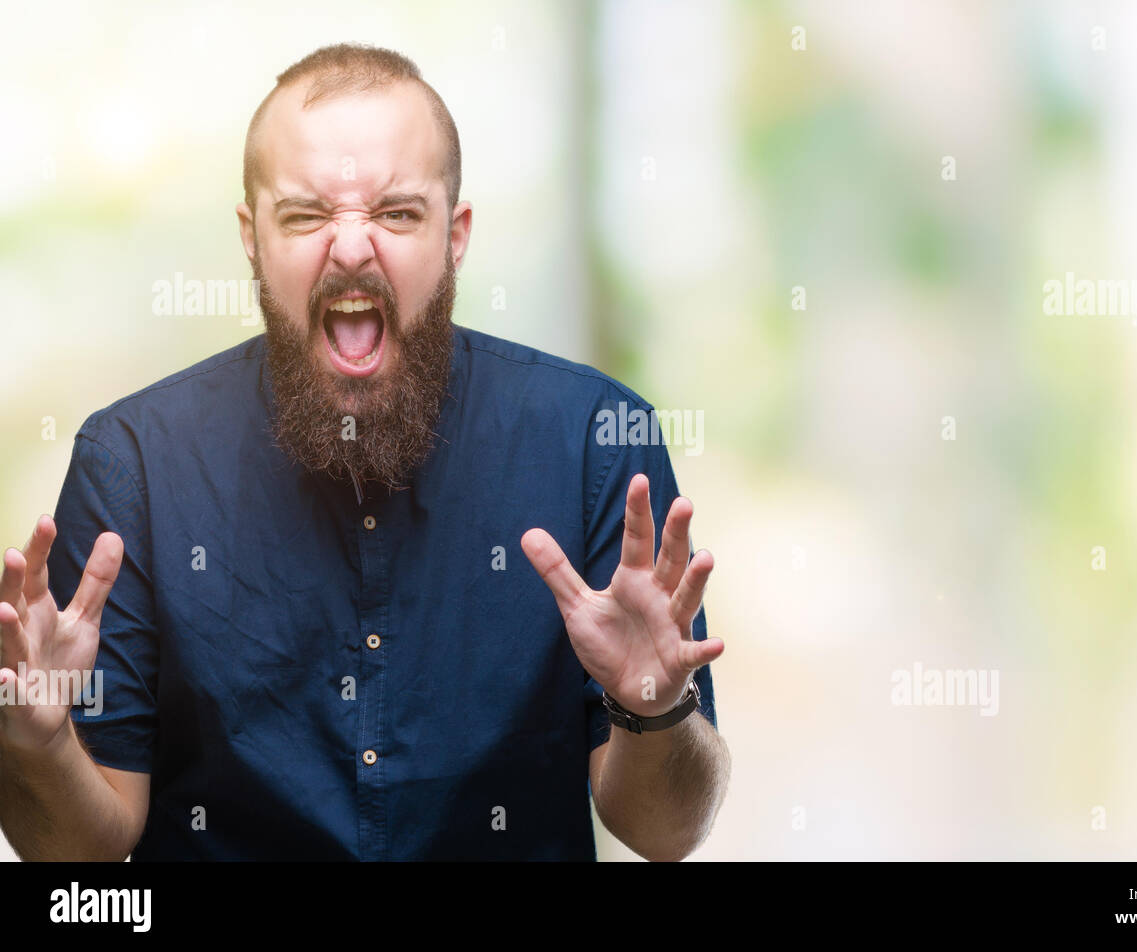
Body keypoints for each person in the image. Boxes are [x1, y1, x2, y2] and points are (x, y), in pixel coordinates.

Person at [0, 43, 730, 861]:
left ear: (456, 237)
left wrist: (654, 708)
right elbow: (73, 856)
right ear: (252, 238)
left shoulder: (597, 439)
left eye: (397, 213)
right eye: (307, 215)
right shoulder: (131, 461)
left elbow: (666, 835)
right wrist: (37, 742)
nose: (350, 250)